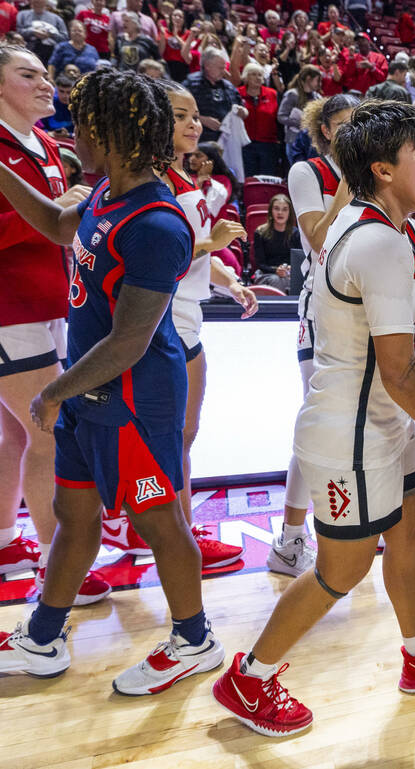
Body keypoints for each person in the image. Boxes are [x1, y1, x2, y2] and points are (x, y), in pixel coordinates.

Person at [212, 99, 415, 738]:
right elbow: (393, 370)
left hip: (385, 423)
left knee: (412, 531)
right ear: (382, 168)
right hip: (353, 431)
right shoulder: (377, 241)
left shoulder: (394, 230)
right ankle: (248, 678)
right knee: (343, 568)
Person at [0, 69, 224, 692]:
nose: (73, 137)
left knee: (158, 525)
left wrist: (53, 390)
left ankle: (194, 639)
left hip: (133, 400)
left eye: (83, 126)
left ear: (113, 131)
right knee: (74, 517)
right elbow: (56, 223)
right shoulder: (104, 192)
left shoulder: (156, 223)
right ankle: (43, 638)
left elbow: (130, 341)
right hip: (86, 390)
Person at [0, 44, 110, 603]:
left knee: (17, 433)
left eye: (46, 74)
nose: (47, 83)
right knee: (49, 429)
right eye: (28, 75)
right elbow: (43, 223)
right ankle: (54, 564)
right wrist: (51, 217)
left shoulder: (43, 142)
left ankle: (4, 541)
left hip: (47, 301)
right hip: (8, 308)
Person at [141, 82, 258, 571]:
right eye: (180, 115)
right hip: (163, 318)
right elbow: (154, 260)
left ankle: (170, 526)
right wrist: (211, 245)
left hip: (185, 314)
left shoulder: (179, 178)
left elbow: (194, 255)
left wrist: (229, 280)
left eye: (194, 115)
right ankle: (177, 536)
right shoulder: (152, 181)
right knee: (173, 435)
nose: (193, 124)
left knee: (179, 434)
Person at [277, 93, 360, 578]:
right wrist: (353, 180)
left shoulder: (376, 168)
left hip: (363, 308)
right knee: (319, 421)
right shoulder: (308, 172)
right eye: (346, 124)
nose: (354, 132)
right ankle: (290, 539)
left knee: (354, 425)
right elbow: (319, 239)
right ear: (325, 128)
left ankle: (349, 523)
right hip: (322, 305)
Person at [186, 47, 247, 144]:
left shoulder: (228, 86)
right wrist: (201, 119)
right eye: (220, 68)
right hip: (199, 141)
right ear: (207, 66)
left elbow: (242, 108)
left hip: (227, 142)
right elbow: (177, 111)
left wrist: (243, 112)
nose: (224, 72)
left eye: (224, 67)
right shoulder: (190, 84)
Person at [239, 62, 280, 178]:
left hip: (268, 145)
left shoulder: (272, 94)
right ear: (246, 77)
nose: (257, 78)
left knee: (266, 178)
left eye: (260, 75)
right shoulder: (237, 93)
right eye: (253, 74)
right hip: (245, 144)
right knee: (248, 178)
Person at [252, 193, 300, 291]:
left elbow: (299, 260)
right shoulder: (260, 233)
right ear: (271, 211)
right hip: (266, 273)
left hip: (289, 274)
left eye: (284, 209)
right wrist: (276, 270)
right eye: (276, 208)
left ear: (289, 213)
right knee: (277, 280)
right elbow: (260, 264)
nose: (280, 213)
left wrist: (290, 268)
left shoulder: (296, 233)